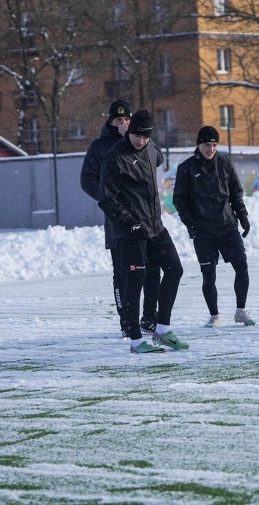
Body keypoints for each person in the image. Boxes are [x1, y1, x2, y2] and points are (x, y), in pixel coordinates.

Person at [99, 110, 188, 354]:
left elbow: (158, 159)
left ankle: (162, 329)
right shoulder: (115, 157)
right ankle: (136, 341)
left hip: (155, 227)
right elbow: (106, 199)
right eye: (137, 136)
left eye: (145, 137)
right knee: (134, 283)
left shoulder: (150, 149)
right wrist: (129, 222)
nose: (140, 141)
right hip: (130, 233)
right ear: (129, 132)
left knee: (175, 269)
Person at [79, 100, 161, 336]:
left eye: (127, 120)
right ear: (111, 121)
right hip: (119, 221)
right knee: (125, 273)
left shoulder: (143, 142)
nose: (124, 124)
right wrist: (111, 196)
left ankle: (149, 317)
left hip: (147, 218)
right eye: (119, 120)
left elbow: (159, 160)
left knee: (152, 270)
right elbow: (87, 180)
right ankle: (127, 322)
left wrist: (142, 136)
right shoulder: (100, 147)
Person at [173, 125, 254, 327]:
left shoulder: (225, 164)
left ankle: (240, 311)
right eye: (207, 145)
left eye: (214, 145)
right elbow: (179, 200)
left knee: (242, 267)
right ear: (199, 145)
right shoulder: (186, 168)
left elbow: (236, 194)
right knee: (209, 275)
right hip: (203, 233)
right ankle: (214, 315)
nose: (211, 149)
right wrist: (190, 223)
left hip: (227, 227)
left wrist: (242, 217)